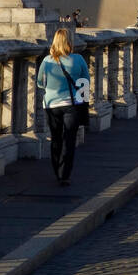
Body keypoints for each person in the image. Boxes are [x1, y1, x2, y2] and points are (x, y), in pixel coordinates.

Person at [37, 27, 91, 187]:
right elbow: (85, 82)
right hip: (72, 105)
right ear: (69, 42)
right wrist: (84, 103)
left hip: (52, 104)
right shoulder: (78, 59)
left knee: (55, 138)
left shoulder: (47, 61)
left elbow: (40, 82)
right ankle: (64, 175)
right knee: (69, 139)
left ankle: (56, 169)